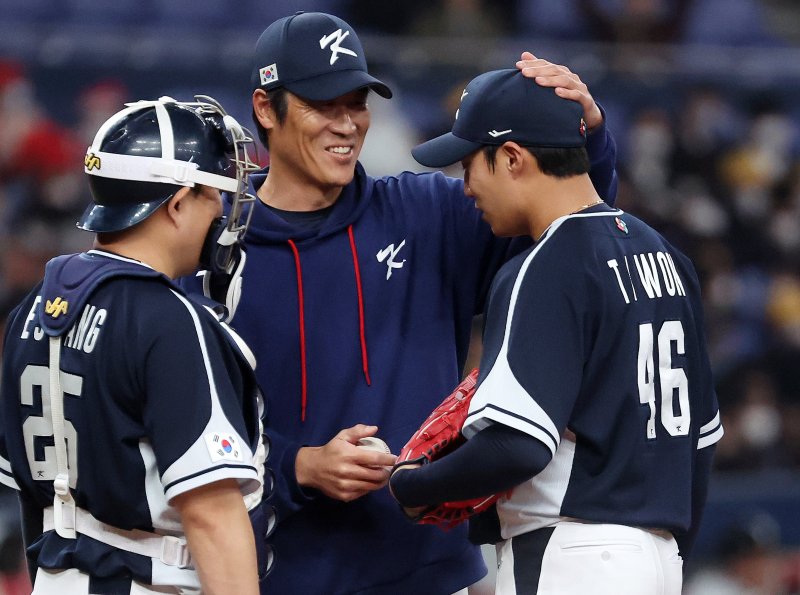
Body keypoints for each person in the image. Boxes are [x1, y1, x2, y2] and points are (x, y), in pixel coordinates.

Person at [183, 10, 618, 594]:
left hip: (430, 572)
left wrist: (588, 137)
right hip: (279, 571)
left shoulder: (428, 213)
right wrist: (296, 466)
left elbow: (568, 227)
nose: (346, 125)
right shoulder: (215, 250)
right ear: (266, 108)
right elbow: (183, 421)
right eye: (322, 104)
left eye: (356, 103)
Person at [389, 68, 724, 594]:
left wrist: (414, 486)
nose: (467, 186)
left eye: (470, 163)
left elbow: (518, 447)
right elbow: (699, 446)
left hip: (572, 554)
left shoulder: (544, 264)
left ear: (513, 158)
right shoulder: (668, 257)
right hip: (659, 559)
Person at [0, 95, 267, 594]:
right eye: (215, 194)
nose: (223, 211)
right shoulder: (170, 320)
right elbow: (211, 513)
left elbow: (31, 497)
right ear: (179, 202)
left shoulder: (30, 309)